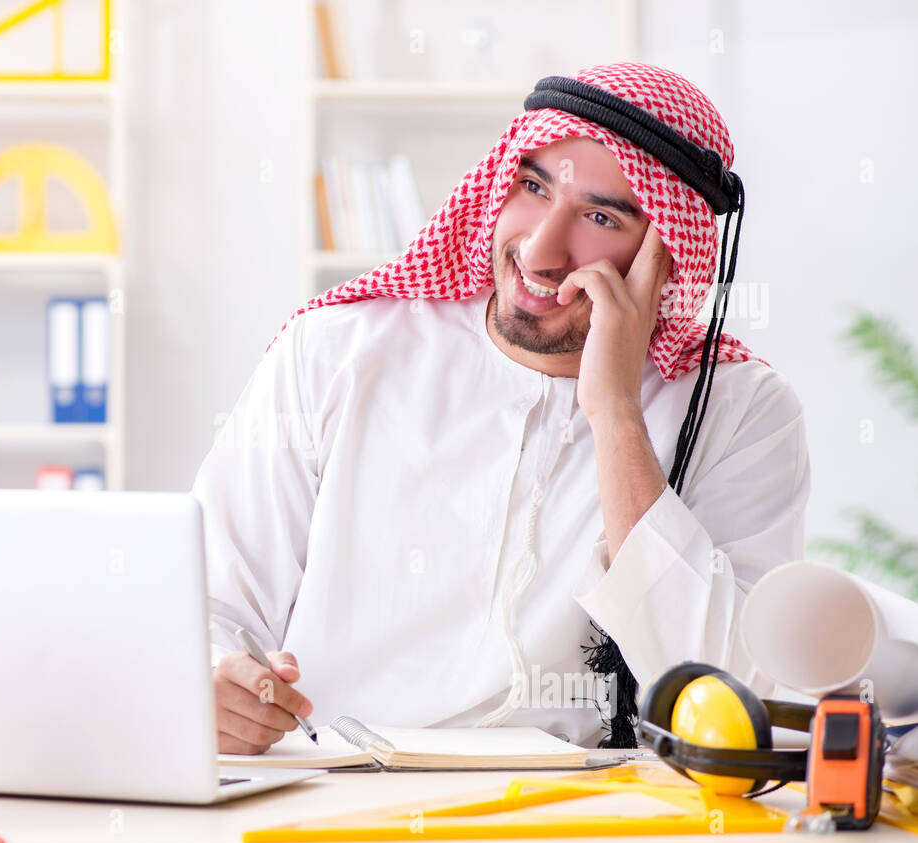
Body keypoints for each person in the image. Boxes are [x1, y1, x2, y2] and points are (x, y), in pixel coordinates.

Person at [191, 62, 809, 755]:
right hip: (324, 801)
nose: (540, 253)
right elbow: (205, 605)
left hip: (584, 829)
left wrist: (615, 415)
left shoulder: (739, 408)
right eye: (533, 187)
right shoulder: (335, 353)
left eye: (601, 216)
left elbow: (734, 693)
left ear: (666, 255)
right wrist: (210, 681)